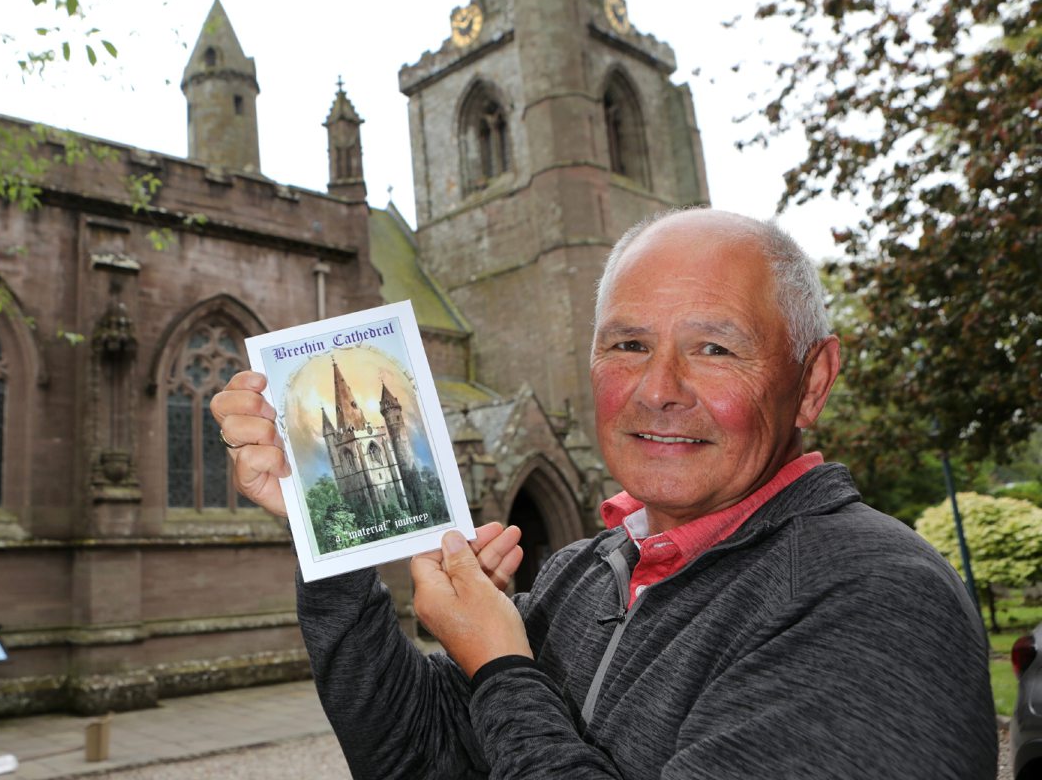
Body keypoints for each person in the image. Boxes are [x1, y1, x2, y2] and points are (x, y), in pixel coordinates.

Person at [210, 208, 997, 779]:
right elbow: (411, 756)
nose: (658, 390)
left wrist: (501, 667)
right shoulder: (581, 573)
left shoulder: (876, 600)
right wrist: (331, 529)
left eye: (714, 348)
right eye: (628, 344)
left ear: (812, 381)